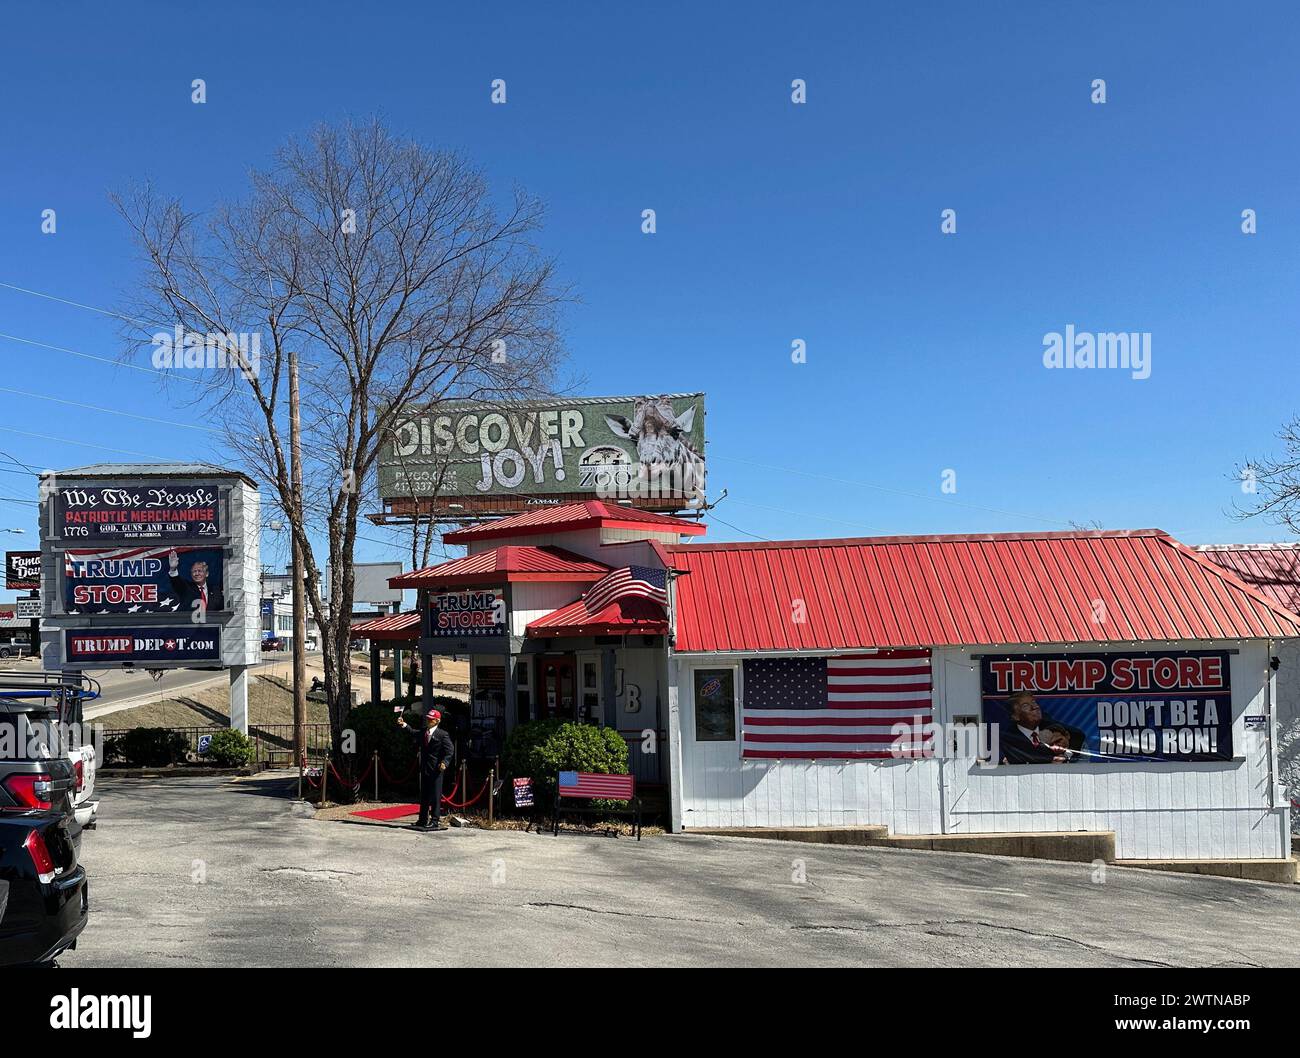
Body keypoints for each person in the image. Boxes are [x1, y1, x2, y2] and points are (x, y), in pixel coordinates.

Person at [397, 707, 455, 830]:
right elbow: (413, 732)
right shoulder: (424, 732)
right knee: (424, 795)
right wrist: (404, 725)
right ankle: (422, 819)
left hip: (436, 769)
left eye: (431, 719)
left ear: (437, 721)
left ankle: (435, 820)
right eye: (428, 719)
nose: (428, 721)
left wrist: (445, 762)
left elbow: (450, 750)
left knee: (435, 796)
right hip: (425, 768)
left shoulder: (442, 734)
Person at [998, 691, 1080, 765]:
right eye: (1026, 706)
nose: (1035, 707)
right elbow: (1022, 757)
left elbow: (1078, 735)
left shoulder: (1049, 724)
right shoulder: (1009, 738)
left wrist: (1065, 755)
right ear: (1015, 716)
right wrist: (1050, 760)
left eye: (1034, 702)